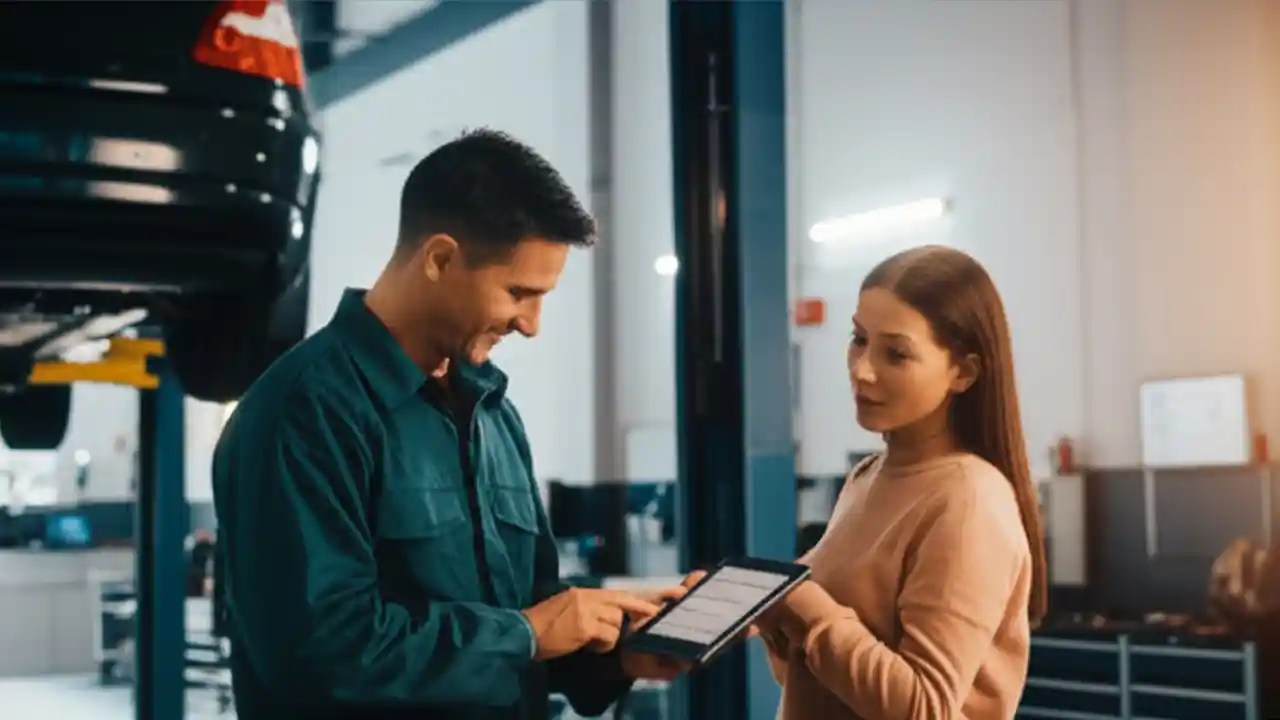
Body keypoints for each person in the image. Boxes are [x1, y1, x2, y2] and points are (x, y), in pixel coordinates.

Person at [211, 129, 689, 720]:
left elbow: (530, 614)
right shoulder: (305, 411)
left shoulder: (493, 414)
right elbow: (320, 654)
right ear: (439, 258)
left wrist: (616, 653)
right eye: (519, 293)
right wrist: (525, 635)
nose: (532, 324)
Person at [754, 245, 1047, 719]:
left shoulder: (968, 501)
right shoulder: (867, 479)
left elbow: (925, 709)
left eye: (896, 353)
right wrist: (769, 615)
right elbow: (812, 680)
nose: (862, 369)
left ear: (964, 372)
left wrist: (808, 609)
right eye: (858, 339)